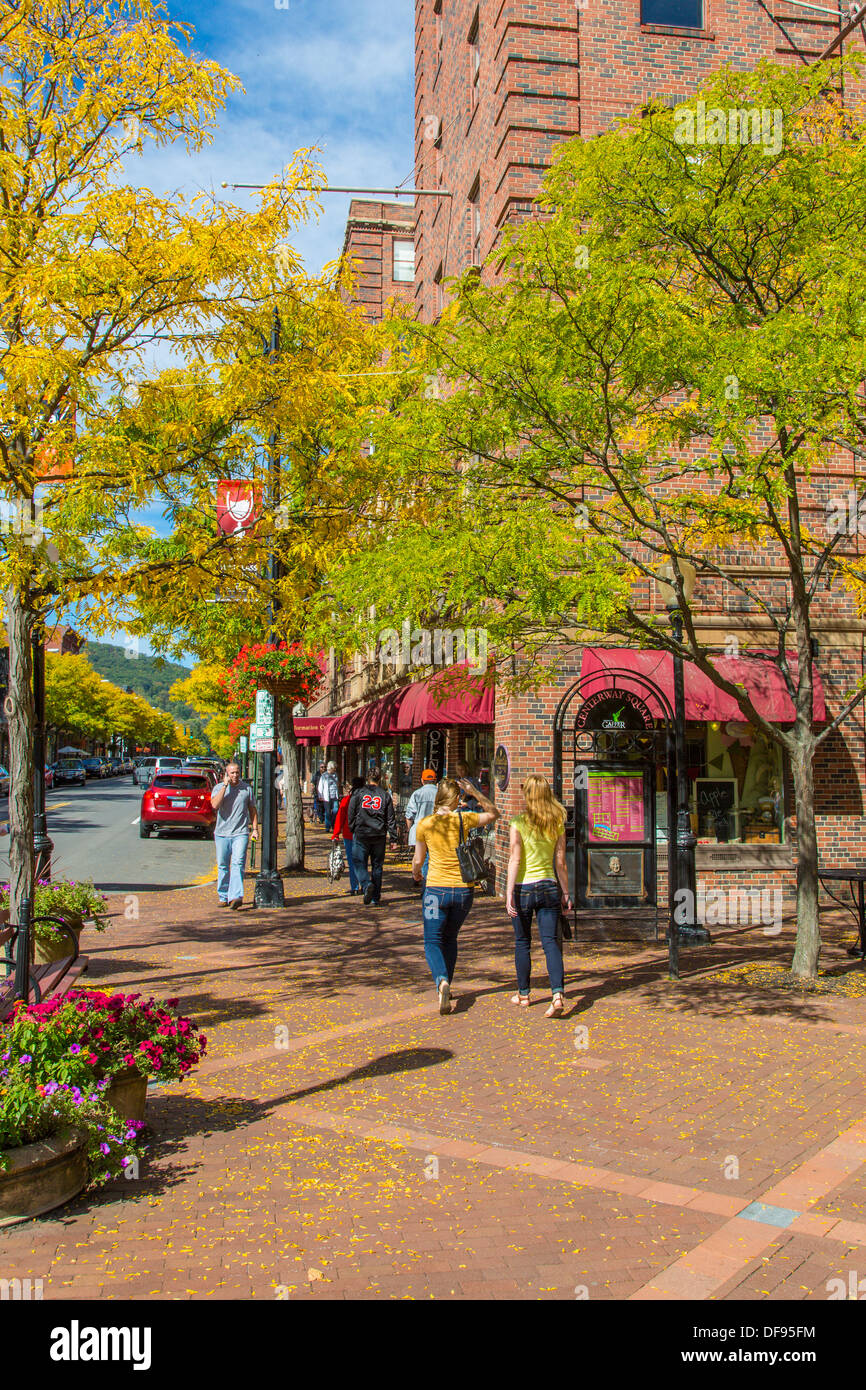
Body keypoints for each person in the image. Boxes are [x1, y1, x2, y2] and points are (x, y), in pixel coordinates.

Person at [413, 776, 499, 1014]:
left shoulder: (426, 824)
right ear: (457, 798)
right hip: (463, 891)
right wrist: (476, 793)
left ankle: (442, 981)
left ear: (438, 797)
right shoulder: (464, 819)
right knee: (450, 938)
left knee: (432, 940)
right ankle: (446, 985)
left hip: (435, 891)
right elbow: (493, 814)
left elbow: (419, 860)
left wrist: (416, 873)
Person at [506, 773, 573, 1017]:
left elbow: (514, 859)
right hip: (549, 886)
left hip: (524, 887)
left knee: (522, 942)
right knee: (550, 943)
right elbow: (561, 861)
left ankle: (523, 994)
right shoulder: (557, 821)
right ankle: (557, 994)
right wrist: (566, 892)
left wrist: (508, 893)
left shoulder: (518, 822)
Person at [210, 760, 259, 909]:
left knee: (238, 864)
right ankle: (223, 896)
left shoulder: (246, 789)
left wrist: (255, 829)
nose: (235, 775)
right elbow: (214, 805)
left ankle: (236, 896)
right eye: (232, 773)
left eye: (237, 772)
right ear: (227, 774)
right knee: (223, 865)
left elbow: (252, 810)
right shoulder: (219, 788)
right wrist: (225, 786)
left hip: (241, 833)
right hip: (222, 833)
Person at [347, 766, 397, 906]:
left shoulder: (358, 793)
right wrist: (393, 837)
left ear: (367, 778)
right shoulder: (385, 795)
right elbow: (390, 818)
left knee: (358, 862)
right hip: (378, 834)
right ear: (380, 779)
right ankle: (375, 896)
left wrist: (352, 828)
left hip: (362, 832)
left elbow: (351, 812)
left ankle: (366, 883)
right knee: (377, 866)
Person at [404, 768, 438, 887]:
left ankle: (422, 881)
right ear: (435, 780)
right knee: (432, 858)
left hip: (419, 831)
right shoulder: (439, 793)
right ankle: (427, 881)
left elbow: (409, 815)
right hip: (436, 832)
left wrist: (409, 831)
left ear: (422, 780)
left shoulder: (417, 794)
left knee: (420, 857)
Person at [332, 776, 365, 895]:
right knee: (363, 860)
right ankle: (364, 884)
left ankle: (355, 886)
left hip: (348, 833)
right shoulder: (365, 801)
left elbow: (340, 817)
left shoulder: (347, 800)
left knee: (352, 862)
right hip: (364, 833)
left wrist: (336, 834)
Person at [318, 761, 340, 832]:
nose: (335, 769)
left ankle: (333, 825)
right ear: (330, 768)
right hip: (327, 797)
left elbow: (337, 784)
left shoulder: (335, 775)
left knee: (336, 810)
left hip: (335, 796)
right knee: (327, 812)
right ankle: (327, 827)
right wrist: (320, 795)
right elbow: (320, 786)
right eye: (334, 768)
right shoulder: (324, 775)